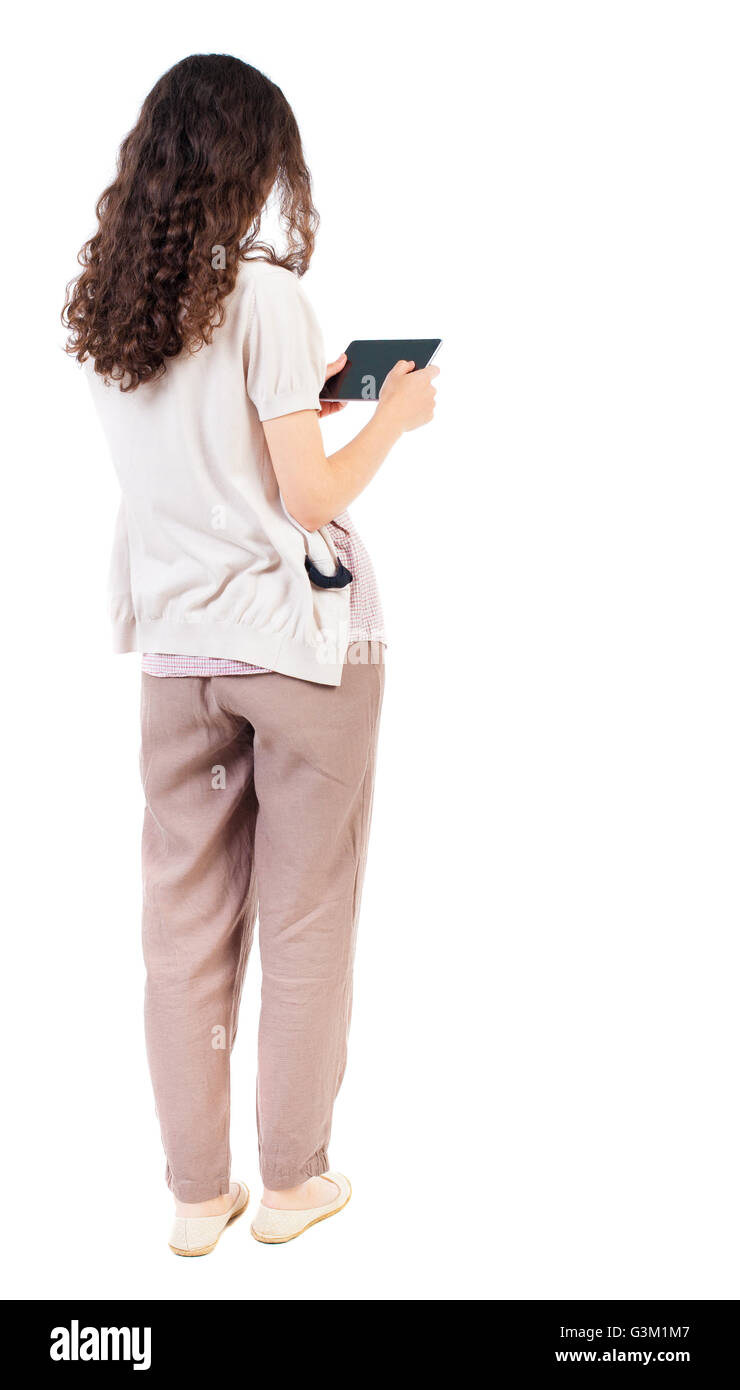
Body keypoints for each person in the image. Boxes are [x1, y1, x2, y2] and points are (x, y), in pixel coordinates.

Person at [63, 52, 438, 1253]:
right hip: (298, 645)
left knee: (181, 923)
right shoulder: (264, 298)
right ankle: (290, 1183)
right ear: (250, 163)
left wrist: (299, 399)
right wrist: (390, 415)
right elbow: (304, 488)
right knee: (306, 912)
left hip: (177, 654)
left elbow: (202, 461)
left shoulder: (117, 312)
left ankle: (191, 1195)